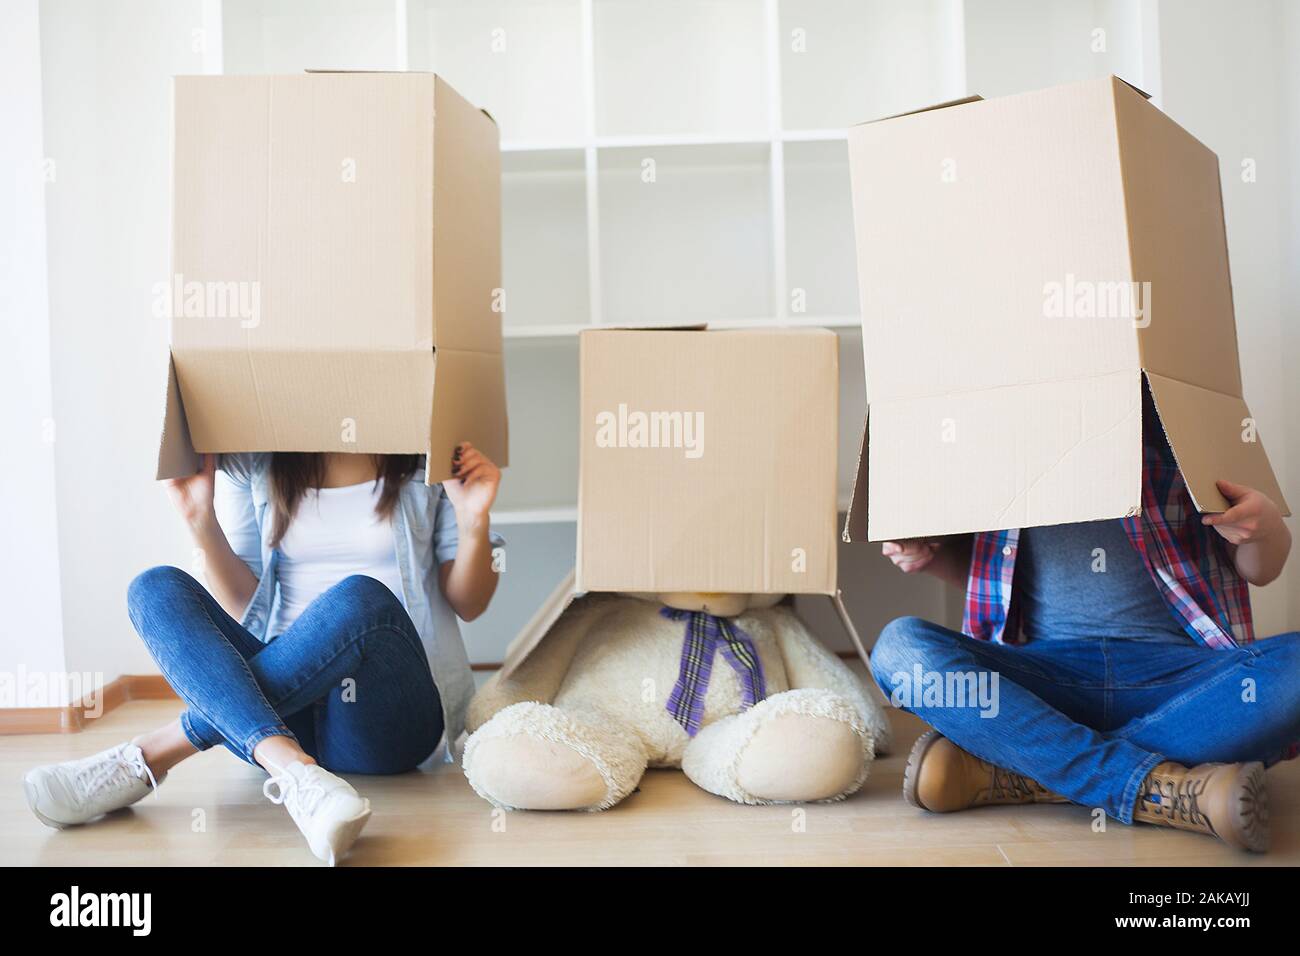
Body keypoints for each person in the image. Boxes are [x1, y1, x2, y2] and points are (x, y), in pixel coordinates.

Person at [24, 444, 501, 864]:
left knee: (359, 598)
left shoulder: (428, 455)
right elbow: (242, 606)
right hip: (285, 717)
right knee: (153, 587)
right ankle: (296, 772)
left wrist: (474, 519)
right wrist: (200, 520)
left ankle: (153, 754)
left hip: (383, 716)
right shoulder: (255, 457)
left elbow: (470, 602)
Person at [871, 410, 1296, 852]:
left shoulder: (1187, 413)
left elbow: (1261, 570)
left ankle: (1025, 769)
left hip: (1180, 683)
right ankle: (1156, 785)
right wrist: (930, 557)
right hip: (1045, 678)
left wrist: (1264, 531)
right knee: (901, 649)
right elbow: (995, 583)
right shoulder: (998, 426)